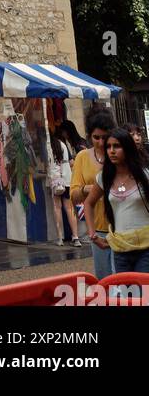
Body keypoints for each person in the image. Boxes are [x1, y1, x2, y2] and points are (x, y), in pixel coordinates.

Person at [83, 127, 149, 275]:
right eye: (108, 147)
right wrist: (93, 235)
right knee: (126, 296)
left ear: (127, 148)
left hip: (146, 249)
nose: (111, 151)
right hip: (120, 249)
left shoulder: (144, 175)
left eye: (117, 146)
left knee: (144, 296)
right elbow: (88, 203)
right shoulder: (104, 178)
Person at [70, 111, 114, 280]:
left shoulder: (117, 153)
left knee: (126, 281)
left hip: (122, 227)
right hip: (99, 228)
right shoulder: (82, 157)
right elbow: (74, 195)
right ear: (89, 136)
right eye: (96, 137)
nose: (101, 142)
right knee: (104, 280)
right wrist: (90, 189)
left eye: (105, 137)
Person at [48, 121, 82, 247]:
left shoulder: (47, 146)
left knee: (57, 208)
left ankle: (60, 238)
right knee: (69, 208)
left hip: (55, 180)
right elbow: (70, 161)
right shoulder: (62, 144)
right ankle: (76, 237)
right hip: (67, 178)